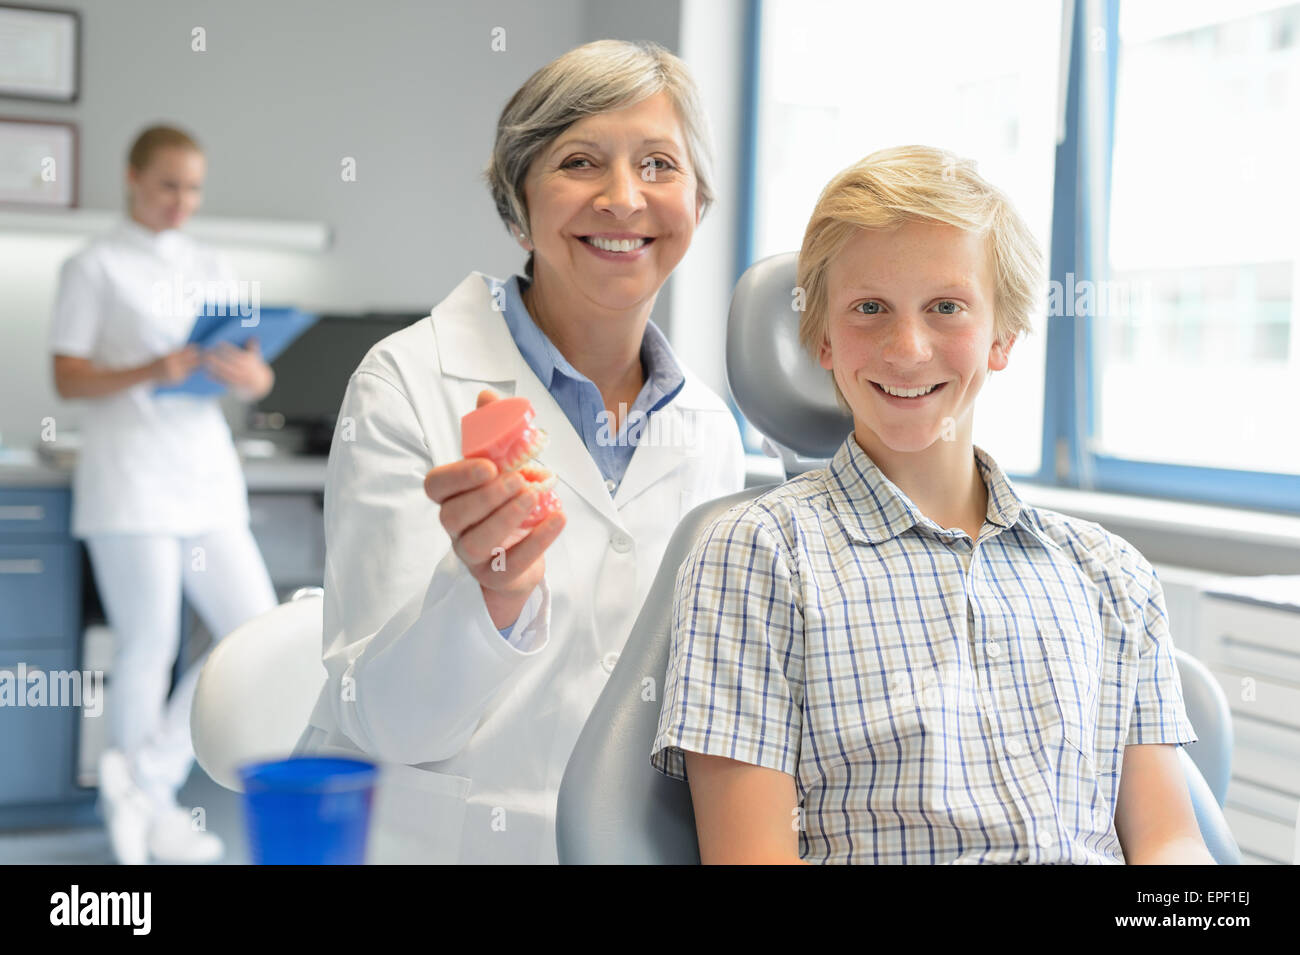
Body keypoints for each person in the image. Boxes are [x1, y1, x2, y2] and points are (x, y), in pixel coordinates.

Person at [651, 145, 1214, 865]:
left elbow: (1169, 841)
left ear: (1002, 335)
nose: (908, 347)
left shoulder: (1111, 574)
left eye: (946, 307)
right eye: (869, 308)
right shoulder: (760, 556)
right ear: (822, 336)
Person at [293, 40, 747, 864]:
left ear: (699, 204)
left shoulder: (711, 430)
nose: (623, 198)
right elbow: (381, 715)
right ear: (516, 207)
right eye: (579, 162)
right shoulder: (405, 381)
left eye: (658, 164)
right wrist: (488, 597)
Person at [49, 125, 279, 864]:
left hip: (204, 475)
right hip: (131, 476)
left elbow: (251, 363)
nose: (181, 201)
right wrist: (154, 368)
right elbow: (67, 377)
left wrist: (255, 379)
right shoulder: (93, 266)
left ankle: (142, 773)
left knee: (256, 632)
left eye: (193, 188)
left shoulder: (210, 262)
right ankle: (150, 811)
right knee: (151, 642)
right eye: (167, 185)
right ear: (132, 178)